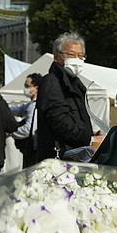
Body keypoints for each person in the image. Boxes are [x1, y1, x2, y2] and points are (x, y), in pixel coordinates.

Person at [36, 32, 95, 161]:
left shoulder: (75, 83)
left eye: (80, 56)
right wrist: (87, 138)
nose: (77, 60)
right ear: (57, 56)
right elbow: (58, 120)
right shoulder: (52, 82)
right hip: (61, 156)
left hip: (76, 154)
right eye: (71, 55)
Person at [10, 73, 43, 169]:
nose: (25, 89)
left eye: (27, 86)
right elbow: (17, 109)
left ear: (36, 88)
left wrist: (11, 131)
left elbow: (29, 129)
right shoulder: (30, 105)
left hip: (33, 150)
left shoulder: (34, 106)